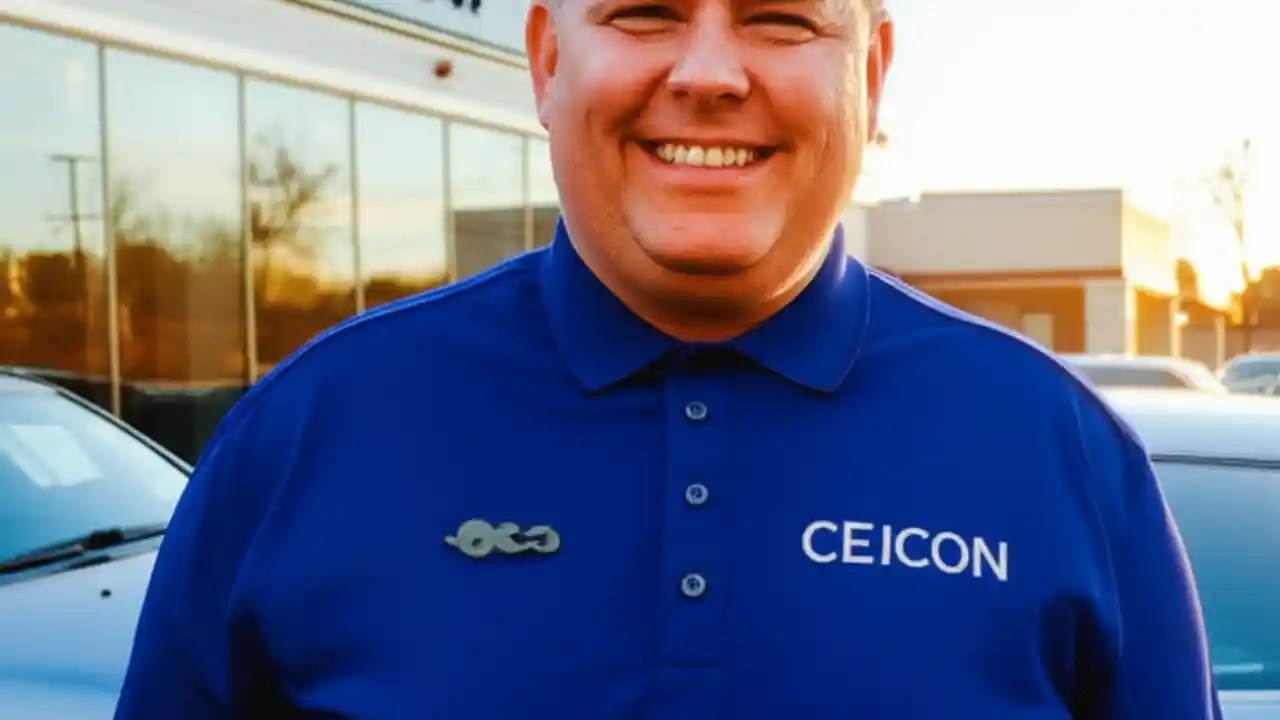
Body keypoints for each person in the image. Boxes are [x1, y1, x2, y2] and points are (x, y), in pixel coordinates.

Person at [114, 0, 1223, 717]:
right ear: (547, 58)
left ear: (870, 70)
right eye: (644, 12)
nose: (707, 72)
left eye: (778, 20)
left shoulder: (1054, 453)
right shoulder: (310, 435)